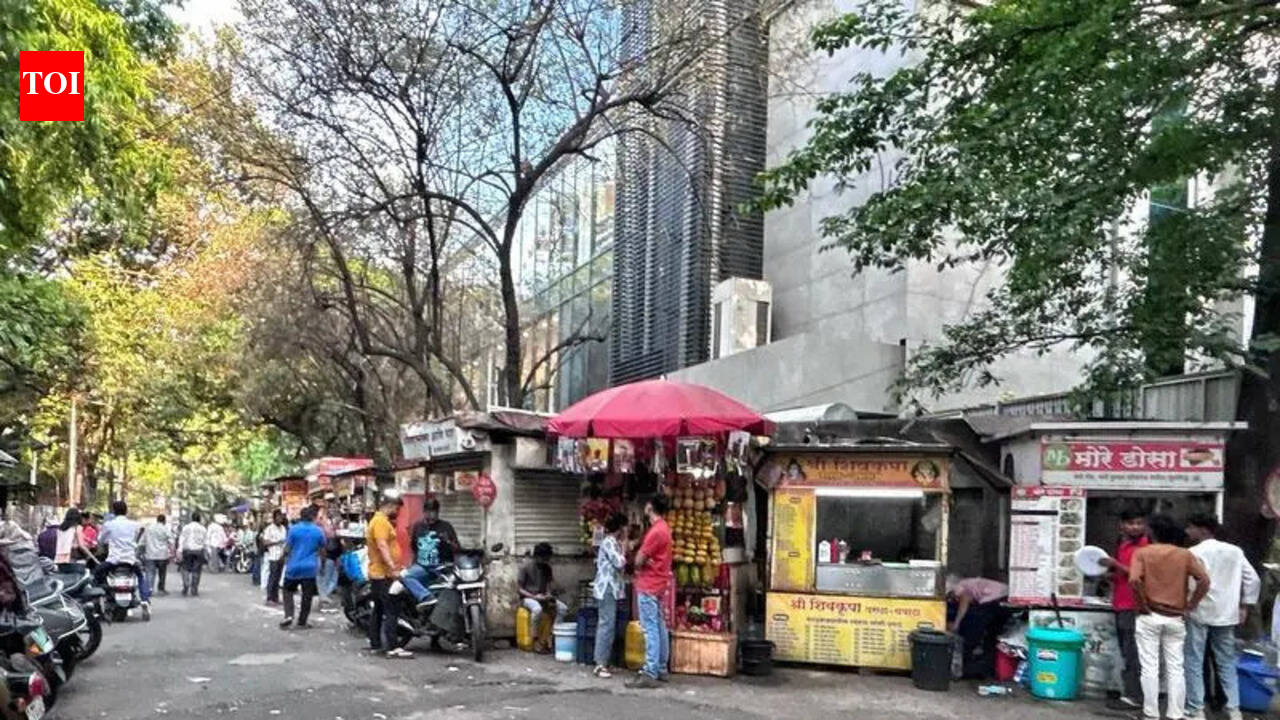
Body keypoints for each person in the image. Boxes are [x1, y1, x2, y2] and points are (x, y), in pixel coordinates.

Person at [1130, 514, 1211, 720]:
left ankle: (1151, 713)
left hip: (1149, 615)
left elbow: (1134, 580)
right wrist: (1191, 604)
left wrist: (1142, 604)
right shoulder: (1184, 555)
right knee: (1176, 668)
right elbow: (1204, 580)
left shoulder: (1142, 553)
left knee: (1149, 667)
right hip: (1176, 616)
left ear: (1152, 533)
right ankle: (1175, 714)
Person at [1184, 514, 1260, 720]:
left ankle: (1196, 709)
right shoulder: (1235, 551)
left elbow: (1191, 582)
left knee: (1194, 660)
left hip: (1199, 612)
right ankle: (1234, 709)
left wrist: (1188, 604)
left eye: (1191, 527)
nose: (1187, 531)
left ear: (1203, 530)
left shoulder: (1193, 552)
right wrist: (1244, 606)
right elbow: (1253, 580)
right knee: (1226, 662)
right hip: (1227, 613)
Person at [1099, 508, 1150, 712]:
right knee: (1127, 652)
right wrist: (1110, 575)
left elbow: (1141, 575)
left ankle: (1136, 696)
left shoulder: (1147, 546)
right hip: (1121, 603)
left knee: (1134, 653)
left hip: (1135, 606)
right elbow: (1124, 575)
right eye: (1131, 523)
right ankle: (1131, 694)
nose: (1135, 527)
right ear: (1122, 525)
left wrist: (1115, 565)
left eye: (1139, 523)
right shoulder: (1123, 544)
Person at [627, 494, 673, 689]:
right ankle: (661, 667)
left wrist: (638, 559)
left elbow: (639, 560)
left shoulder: (656, 531)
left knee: (650, 628)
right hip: (659, 582)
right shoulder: (665, 528)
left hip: (649, 583)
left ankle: (650, 671)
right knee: (660, 625)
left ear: (650, 507)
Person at [366, 494, 412, 658]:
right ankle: (392, 646)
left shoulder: (378, 520)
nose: (397, 512)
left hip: (378, 573)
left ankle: (375, 643)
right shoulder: (380, 522)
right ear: (390, 506)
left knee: (378, 609)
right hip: (383, 573)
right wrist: (392, 567)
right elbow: (382, 545)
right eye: (396, 508)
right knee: (391, 609)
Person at [93, 500, 151, 613]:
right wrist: (134, 541)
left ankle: (97, 601)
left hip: (113, 560)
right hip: (130, 560)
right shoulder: (134, 524)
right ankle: (145, 599)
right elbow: (141, 531)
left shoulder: (109, 525)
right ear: (126, 511)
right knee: (140, 577)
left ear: (114, 511)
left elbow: (100, 540)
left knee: (96, 574)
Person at [403, 497, 460, 608]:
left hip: (442, 567)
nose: (431, 515)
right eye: (428, 512)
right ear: (424, 512)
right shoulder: (418, 526)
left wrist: (447, 541)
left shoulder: (446, 527)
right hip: (423, 567)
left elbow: (457, 548)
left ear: (438, 512)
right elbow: (414, 546)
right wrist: (414, 562)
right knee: (406, 577)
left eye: (433, 512)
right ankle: (426, 597)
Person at [279, 506, 326, 630]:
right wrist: (322, 566)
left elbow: (287, 548)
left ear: (301, 516)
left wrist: (281, 558)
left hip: (293, 567)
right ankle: (302, 622)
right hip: (310, 568)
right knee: (307, 596)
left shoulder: (293, 530)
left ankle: (289, 615)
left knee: (287, 591)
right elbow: (323, 550)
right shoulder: (318, 531)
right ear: (312, 517)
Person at [592, 513, 628, 679]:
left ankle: (605, 661)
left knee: (609, 624)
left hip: (611, 588)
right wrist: (625, 546)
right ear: (620, 528)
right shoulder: (608, 542)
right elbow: (619, 562)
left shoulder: (613, 542)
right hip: (606, 588)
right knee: (606, 624)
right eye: (625, 528)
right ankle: (600, 664)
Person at [519, 542, 566, 653]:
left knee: (563, 609)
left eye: (547, 558)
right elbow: (519, 589)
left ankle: (553, 637)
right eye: (544, 558)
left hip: (543, 596)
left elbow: (549, 585)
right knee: (537, 609)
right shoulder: (525, 567)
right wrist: (534, 597)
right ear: (537, 556)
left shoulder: (547, 568)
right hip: (527, 598)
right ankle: (535, 640)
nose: (546, 561)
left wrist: (549, 595)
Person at [178, 512, 208, 597]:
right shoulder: (203, 529)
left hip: (187, 550)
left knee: (185, 568)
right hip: (198, 551)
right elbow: (205, 541)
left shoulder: (186, 527)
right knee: (196, 570)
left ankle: (186, 584)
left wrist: (179, 550)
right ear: (199, 519)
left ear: (192, 518)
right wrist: (206, 552)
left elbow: (182, 539)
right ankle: (194, 589)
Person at [142, 514, 172, 596]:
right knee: (162, 573)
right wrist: (172, 552)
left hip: (150, 554)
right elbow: (171, 541)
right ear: (164, 521)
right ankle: (161, 589)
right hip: (162, 554)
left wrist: (141, 552)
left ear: (157, 520)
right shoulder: (165, 529)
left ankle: (149, 589)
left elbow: (143, 541)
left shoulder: (149, 528)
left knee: (150, 573)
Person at [262, 511, 288, 605]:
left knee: (278, 578)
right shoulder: (269, 529)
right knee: (272, 578)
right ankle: (269, 598)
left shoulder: (283, 529)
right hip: (273, 556)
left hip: (281, 556)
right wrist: (276, 542)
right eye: (278, 517)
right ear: (274, 518)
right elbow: (265, 542)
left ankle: (275, 597)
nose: (280, 519)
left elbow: (285, 542)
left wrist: (284, 554)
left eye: (281, 517)